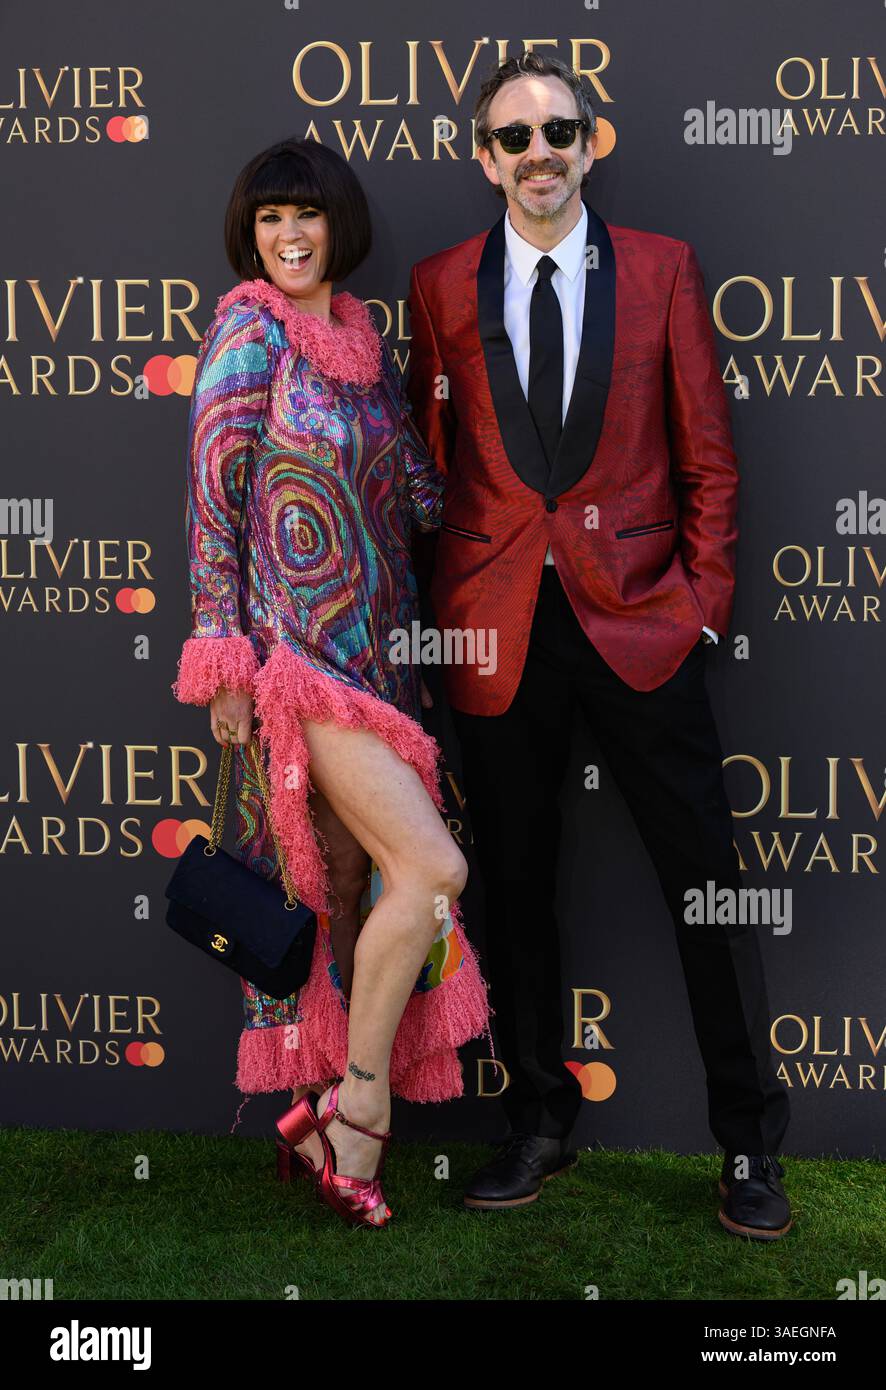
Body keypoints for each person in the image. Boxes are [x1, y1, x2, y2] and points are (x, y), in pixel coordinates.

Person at [406, 53, 791, 1239]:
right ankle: (537, 1120)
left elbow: (708, 459)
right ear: (483, 157)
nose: (538, 154)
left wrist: (697, 603)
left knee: (709, 890)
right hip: (495, 627)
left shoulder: (665, 271)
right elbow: (433, 460)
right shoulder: (436, 286)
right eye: (513, 138)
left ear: (592, 141)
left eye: (558, 131)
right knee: (514, 885)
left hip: (641, 622)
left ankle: (744, 1145)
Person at [171, 137, 490, 1228]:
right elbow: (213, 501)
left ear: (337, 225)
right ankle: (360, 1112)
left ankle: (321, 1111)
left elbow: (415, 491)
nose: (289, 234)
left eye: (305, 214)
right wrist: (222, 654)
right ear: (250, 234)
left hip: (383, 661)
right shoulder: (248, 331)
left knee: (345, 895)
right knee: (433, 867)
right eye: (269, 218)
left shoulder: (359, 336)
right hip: (300, 670)